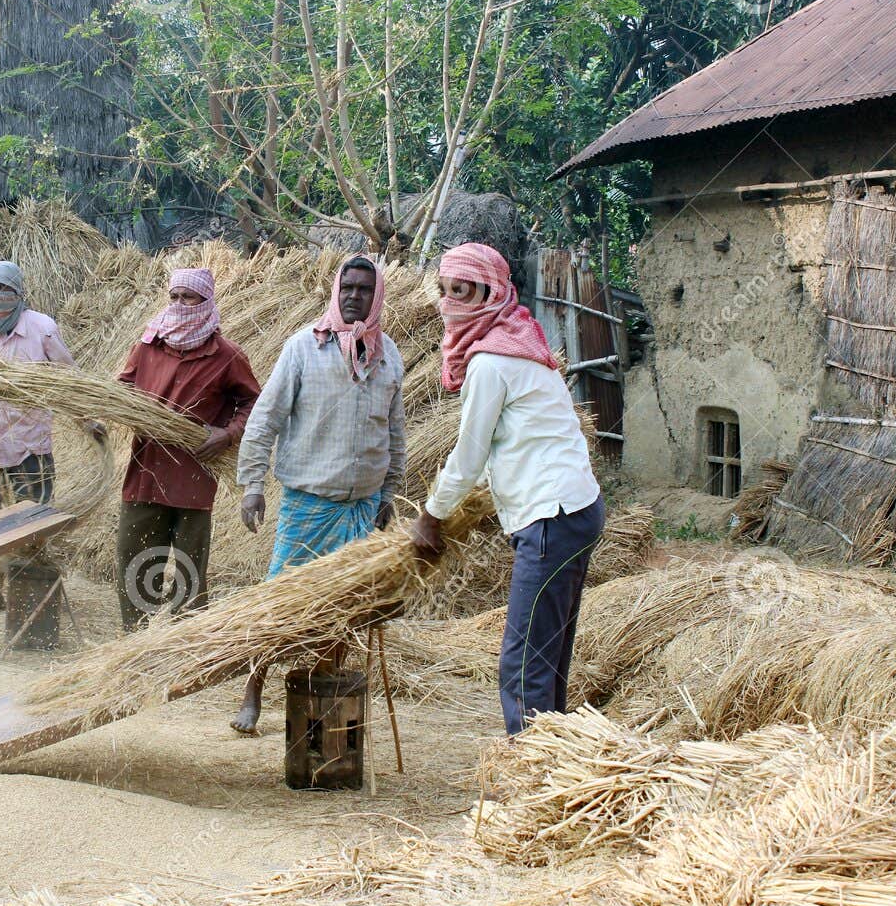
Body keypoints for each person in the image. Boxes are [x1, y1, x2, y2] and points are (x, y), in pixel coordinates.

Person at [409, 243, 605, 735]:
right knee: (549, 652)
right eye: (446, 290)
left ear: (491, 292)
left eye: (465, 290)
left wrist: (431, 516)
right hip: (575, 508)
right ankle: (558, 758)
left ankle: (531, 778)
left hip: (550, 517)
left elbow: (470, 455)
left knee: (521, 666)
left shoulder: (491, 361)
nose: (452, 301)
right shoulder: (517, 340)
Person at [230, 256, 407, 733]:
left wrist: (388, 493)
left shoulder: (388, 355)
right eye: (346, 287)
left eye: (364, 290)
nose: (354, 296)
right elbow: (265, 418)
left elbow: (394, 432)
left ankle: (323, 688)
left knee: (344, 607)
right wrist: (252, 485)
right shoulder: (304, 348)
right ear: (336, 291)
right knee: (277, 602)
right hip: (308, 504)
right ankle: (253, 690)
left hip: (363, 508)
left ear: (377, 297)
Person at [116, 268, 260, 630]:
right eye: (174, 296)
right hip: (146, 469)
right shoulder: (149, 345)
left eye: (189, 297)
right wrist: (127, 408)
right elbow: (122, 388)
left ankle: (185, 642)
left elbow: (254, 403)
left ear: (206, 302)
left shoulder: (226, 356)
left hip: (193, 476)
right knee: (134, 557)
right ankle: (136, 639)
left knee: (188, 567)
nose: (179, 304)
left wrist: (227, 434)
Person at [0, 259, 99, 615]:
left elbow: (69, 381)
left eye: (4, 288)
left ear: (19, 292)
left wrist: (87, 419)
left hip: (30, 446)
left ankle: (30, 598)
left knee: (32, 524)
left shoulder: (41, 329)